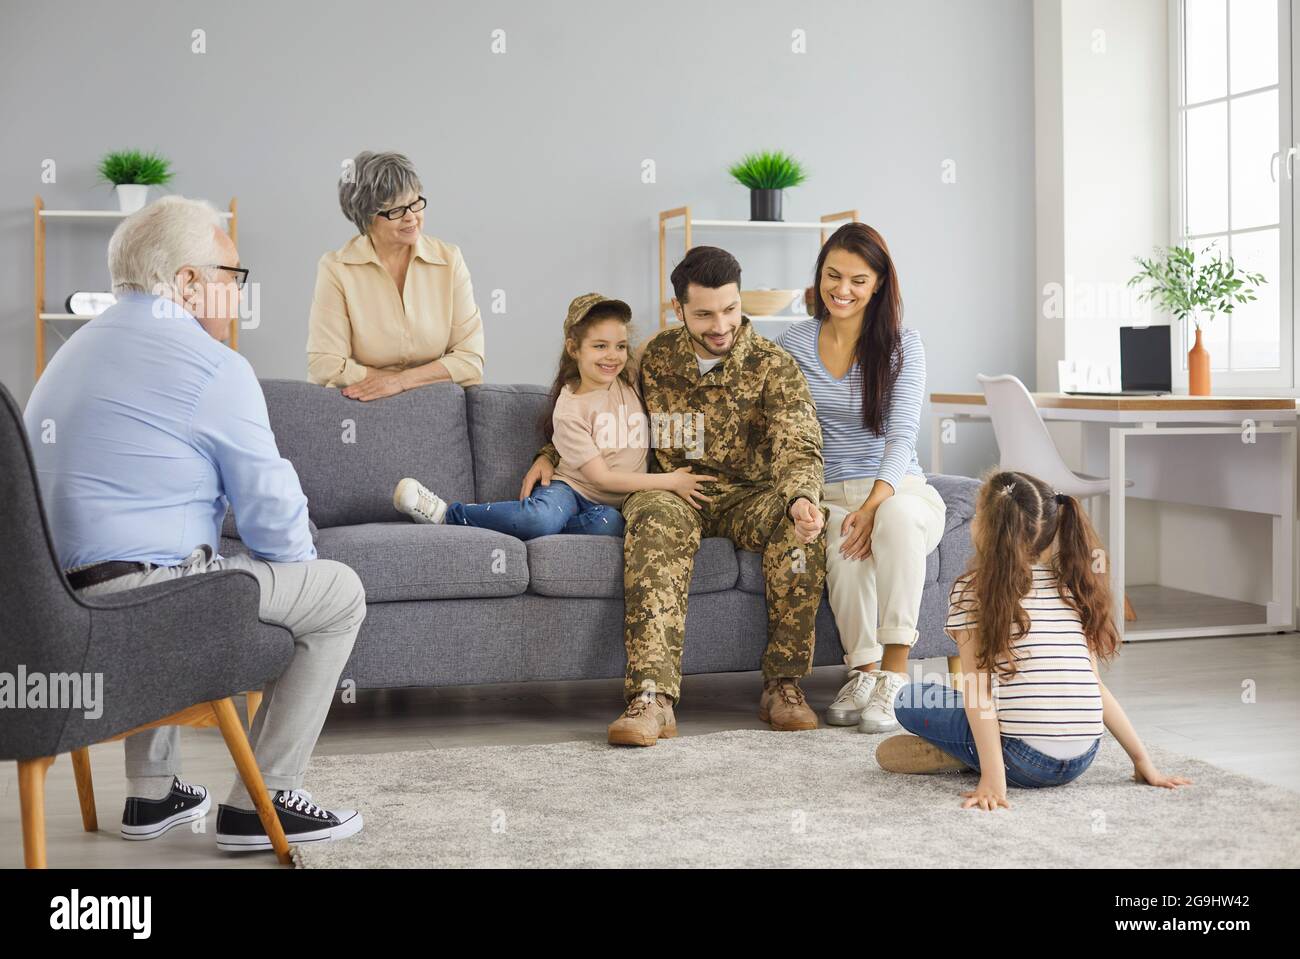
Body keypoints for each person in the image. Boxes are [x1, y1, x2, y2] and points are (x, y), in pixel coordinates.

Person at [24, 196, 366, 851]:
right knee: (336, 590)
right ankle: (264, 798)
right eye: (231, 277)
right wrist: (290, 571)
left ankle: (152, 793)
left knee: (169, 557)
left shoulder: (69, 355)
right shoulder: (214, 366)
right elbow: (280, 530)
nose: (238, 295)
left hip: (58, 616)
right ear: (185, 281)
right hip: (141, 614)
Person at [522, 247, 828, 746]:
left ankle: (784, 686)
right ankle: (651, 700)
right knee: (655, 522)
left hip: (750, 496)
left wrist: (800, 498)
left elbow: (799, 441)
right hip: (671, 493)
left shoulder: (775, 365)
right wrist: (549, 454)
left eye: (729, 309)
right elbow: (595, 403)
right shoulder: (655, 357)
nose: (720, 324)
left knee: (799, 525)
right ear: (678, 308)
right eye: (704, 313)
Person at [876, 470, 1193, 810]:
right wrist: (1143, 762)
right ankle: (975, 751)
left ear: (989, 529)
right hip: (1083, 759)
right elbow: (1096, 688)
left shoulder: (972, 589)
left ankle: (970, 756)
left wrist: (994, 780)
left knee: (911, 698)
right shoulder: (1072, 588)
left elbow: (977, 690)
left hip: (1022, 761)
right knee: (981, 699)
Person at [776, 223, 945, 733]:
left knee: (891, 520)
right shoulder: (795, 342)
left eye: (857, 279)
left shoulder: (902, 346)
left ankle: (894, 675)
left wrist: (872, 506)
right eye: (832, 276)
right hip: (831, 492)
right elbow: (784, 427)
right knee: (841, 544)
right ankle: (863, 672)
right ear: (819, 275)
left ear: (878, 284)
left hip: (899, 489)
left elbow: (901, 439)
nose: (842, 290)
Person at [393, 293, 715, 538]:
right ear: (574, 349)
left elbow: (661, 340)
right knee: (539, 518)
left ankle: (548, 529)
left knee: (611, 526)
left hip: (611, 505)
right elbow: (601, 479)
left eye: (619, 345)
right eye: (600, 346)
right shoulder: (571, 407)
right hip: (571, 490)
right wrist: (672, 481)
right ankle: (450, 514)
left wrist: (701, 314)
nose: (612, 356)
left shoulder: (628, 377)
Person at [307, 150, 485, 399]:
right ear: (367, 219)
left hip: (434, 406)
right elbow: (325, 366)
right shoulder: (337, 269)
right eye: (396, 211)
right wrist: (417, 379)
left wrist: (400, 383)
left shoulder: (449, 260)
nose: (411, 217)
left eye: (414, 203)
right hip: (361, 405)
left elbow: (470, 361)